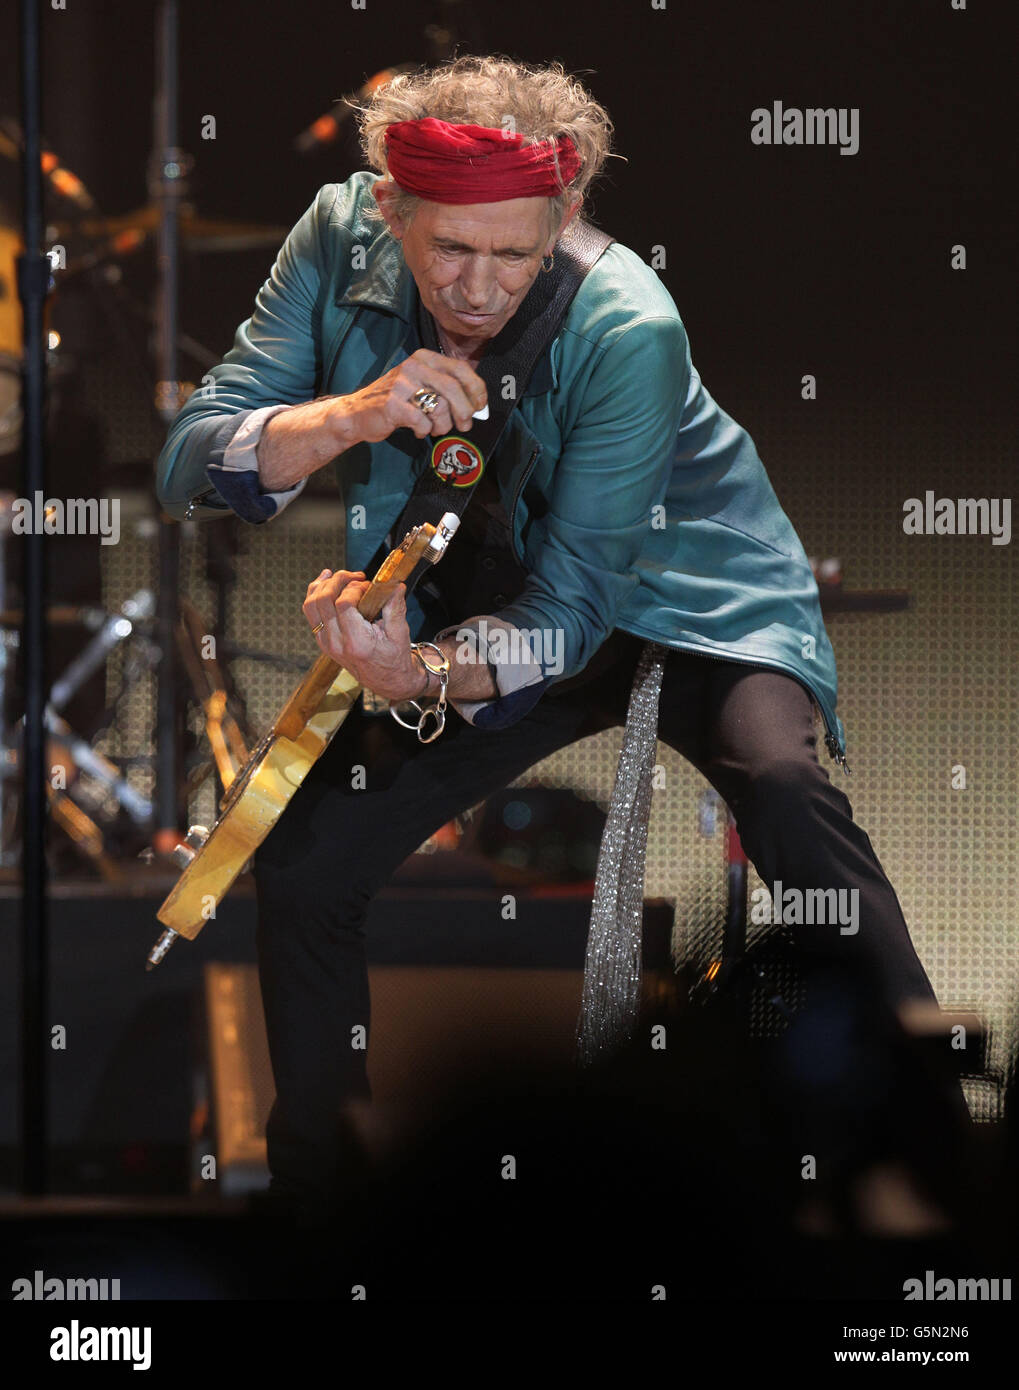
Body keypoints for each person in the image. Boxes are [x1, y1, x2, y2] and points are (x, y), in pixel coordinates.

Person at [155, 56, 947, 1219]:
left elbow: (579, 612)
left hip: (687, 591)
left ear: (565, 217)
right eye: (448, 252)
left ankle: (936, 1131)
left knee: (780, 783)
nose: (476, 288)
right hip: (496, 586)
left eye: (512, 255)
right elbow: (193, 463)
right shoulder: (333, 233)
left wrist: (418, 671)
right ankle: (325, 1209)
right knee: (310, 861)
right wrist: (354, 412)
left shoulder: (627, 320)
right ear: (389, 209)